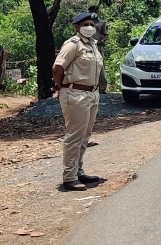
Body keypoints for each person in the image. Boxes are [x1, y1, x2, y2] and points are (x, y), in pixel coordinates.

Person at [52, 12, 104, 191]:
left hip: (91, 94)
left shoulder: (93, 45)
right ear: (77, 27)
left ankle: (79, 171)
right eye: (86, 24)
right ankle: (69, 177)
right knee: (74, 136)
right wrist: (61, 87)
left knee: (84, 137)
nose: (90, 27)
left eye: (92, 24)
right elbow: (58, 67)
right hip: (75, 93)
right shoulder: (72, 44)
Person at [87, 5, 109, 94]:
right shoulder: (86, 23)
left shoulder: (102, 23)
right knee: (88, 65)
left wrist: (103, 41)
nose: (93, 12)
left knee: (100, 66)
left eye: (95, 10)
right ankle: (89, 86)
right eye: (91, 10)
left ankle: (102, 87)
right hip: (88, 47)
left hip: (98, 47)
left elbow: (106, 34)